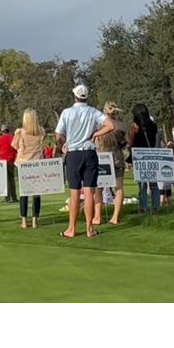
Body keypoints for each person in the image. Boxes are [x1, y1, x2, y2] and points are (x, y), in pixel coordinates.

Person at [55, 85, 113, 239]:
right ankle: (89, 229)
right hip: (90, 152)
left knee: (74, 193)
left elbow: (58, 135)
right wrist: (95, 134)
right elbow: (110, 125)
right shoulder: (93, 111)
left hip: (74, 153)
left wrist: (65, 143)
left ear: (74, 97)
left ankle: (71, 229)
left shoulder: (67, 112)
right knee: (89, 193)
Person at [13, 108, 49, 228]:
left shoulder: (19, 132)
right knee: (36, 193)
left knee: (24, 193)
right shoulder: (41, 131)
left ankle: (24, 221)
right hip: (37, 164)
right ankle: (35, 220)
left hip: (23, 164)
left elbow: (14, 146)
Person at [129, 103, 161, 214]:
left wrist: (132, 132)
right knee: (154, 183)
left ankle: (142, 208)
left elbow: (131, 142)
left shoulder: (135, 126)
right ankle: (156, 206)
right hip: (151, 155)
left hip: (139, 156)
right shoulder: (153, 125)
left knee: (142, 184)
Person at [0, 125, 19, 204]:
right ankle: (13, 197)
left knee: (5, 180)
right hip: (11, 161)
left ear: (2, 131)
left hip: (2, 162)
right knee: (11, 179)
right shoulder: (13, 138)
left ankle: (7, 198)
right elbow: (16, 149)